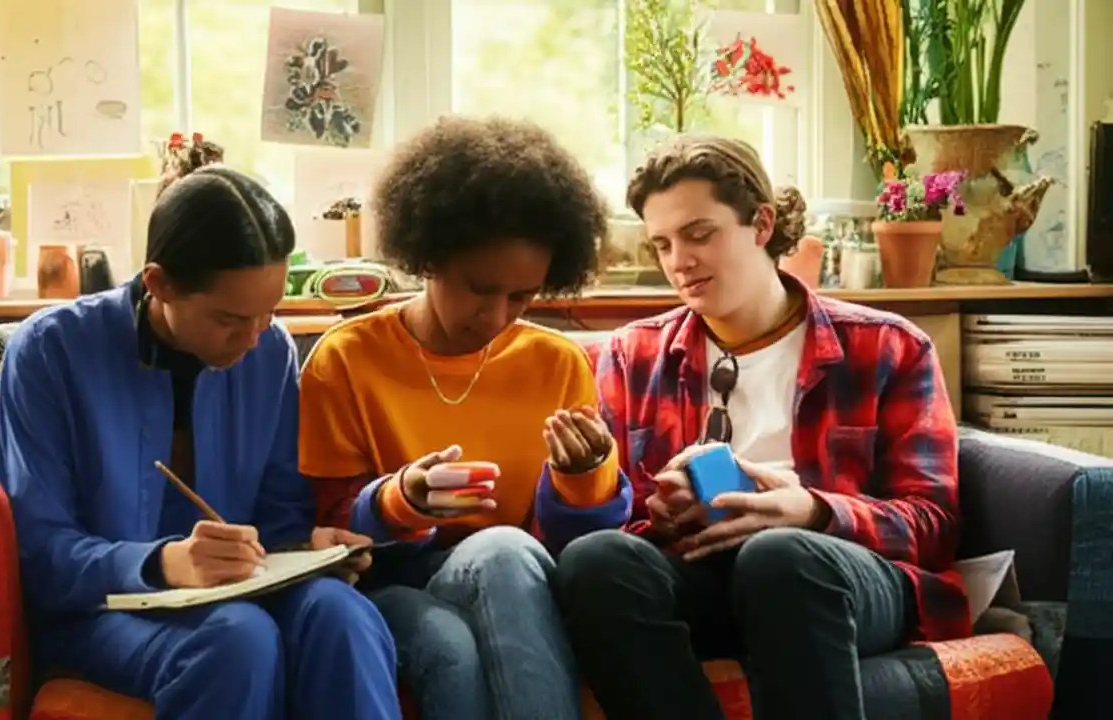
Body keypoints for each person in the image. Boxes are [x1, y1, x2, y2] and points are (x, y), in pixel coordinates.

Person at [552, 136, 970, 720]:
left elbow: (935, 525)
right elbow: (614, 520)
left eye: (700, 234)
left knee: (778, 557)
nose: (680, 262)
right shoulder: (631, 356)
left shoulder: (887, 346)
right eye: (663, 244)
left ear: (761, 224)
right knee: (597, 561)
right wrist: (660, 514)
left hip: (836, 577)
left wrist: (814, 511)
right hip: (700, 573)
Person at [0, 166, 400, 720]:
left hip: (237, 595)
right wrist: (163, 562)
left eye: (269, 313)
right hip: (98, 613)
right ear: (159, 284)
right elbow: (40, 553)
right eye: (230, 319)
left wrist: (309, 549)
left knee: (343, 615)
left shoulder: (271, 351)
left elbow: (279, 515)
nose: (255, 337)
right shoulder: (49, 352)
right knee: (237, 639)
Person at [298, 116, 633, 720]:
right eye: (479, 288)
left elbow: (572, 547)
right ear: (428, 257)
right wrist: (402, 500)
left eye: (522, 296)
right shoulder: (346, 358)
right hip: (391, 583)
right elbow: (327, 529)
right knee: (448, 639)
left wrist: (586, 476)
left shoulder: (556, 362)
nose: (497, 315)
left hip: (515, 580)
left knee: (503, 552)